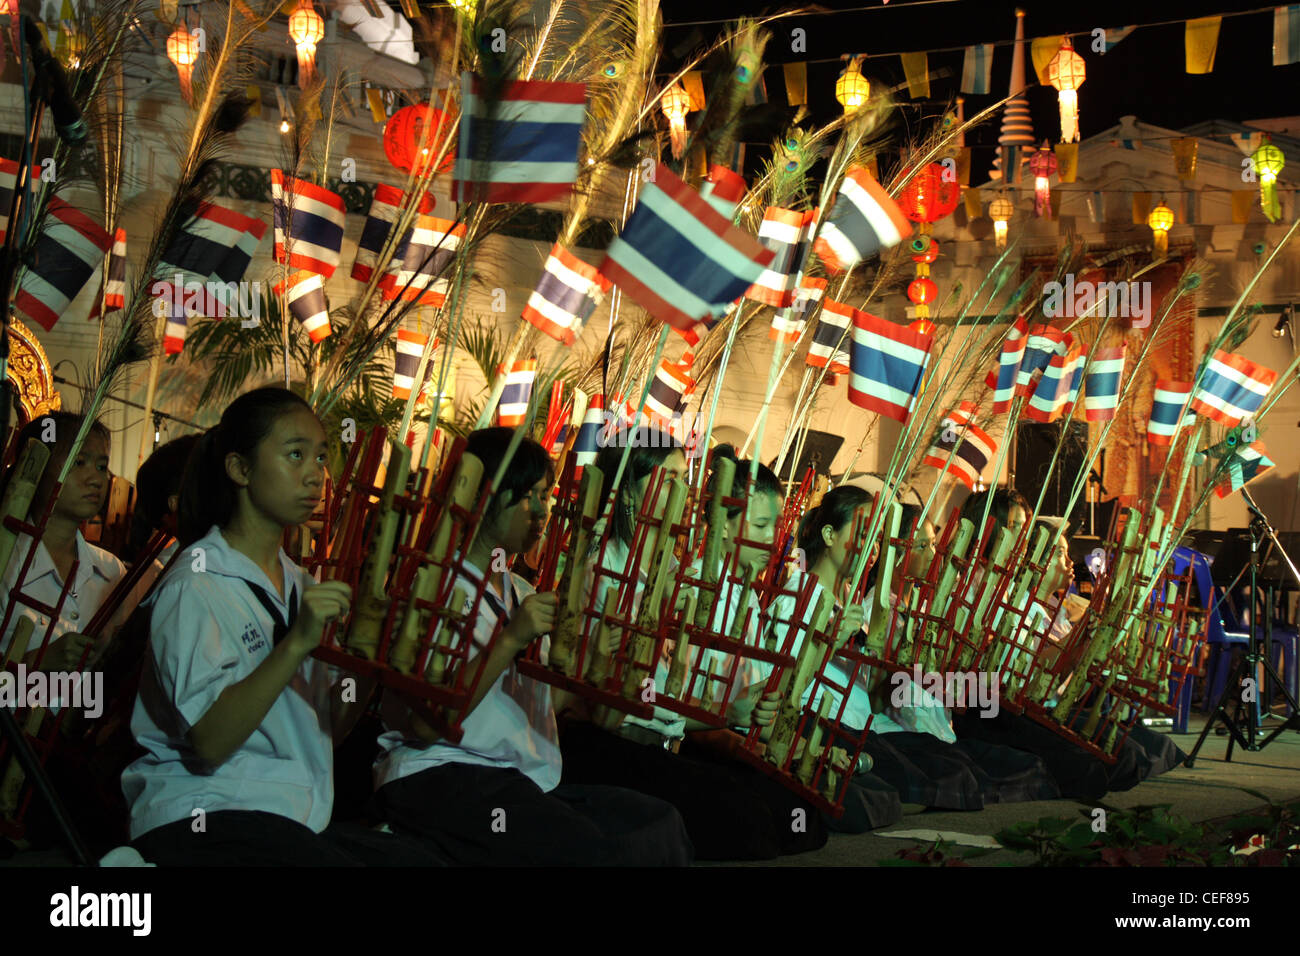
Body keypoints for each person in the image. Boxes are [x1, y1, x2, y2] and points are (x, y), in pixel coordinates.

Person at [122, 387, 424, 866]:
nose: (314, 474)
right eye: (295, 455)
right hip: (209, 810)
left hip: (288, 815)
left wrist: (368, 662)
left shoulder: (302, 585)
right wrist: (297, 643)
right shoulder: (196, 582)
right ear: (240, 469)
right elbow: (209, 741)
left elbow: (328, 727)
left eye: (321, 458)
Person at [373, 426, 692, 866]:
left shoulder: (521, 590)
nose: (543, 511)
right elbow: (429, 725)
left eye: (547, 496)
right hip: (443, 771)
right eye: (534, 496)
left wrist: (595, 655)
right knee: (594, 852)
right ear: (489, 497)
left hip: (518, 777)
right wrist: (512, 638)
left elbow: (554, 702)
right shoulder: (434, 585)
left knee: (659, 822)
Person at [0, 412, 130, 670]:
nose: (95, 479)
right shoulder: (5, 559)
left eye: (102, 467)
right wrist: (36, 662)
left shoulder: (111, 571)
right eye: (78, 462)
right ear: (36, 466)